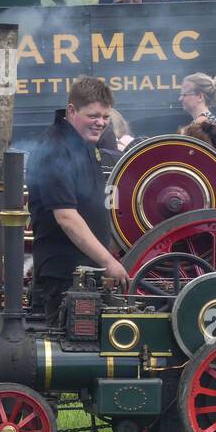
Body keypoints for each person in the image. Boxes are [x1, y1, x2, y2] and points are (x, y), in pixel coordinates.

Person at [27, 77, 128, 319]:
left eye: (105, 117)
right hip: (65, 274)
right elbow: (66, 217)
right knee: (72, 351)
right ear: (72, 110)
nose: (101, 123)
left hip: (85, 271)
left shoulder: (85, 143)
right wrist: (109, 262)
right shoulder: (55, 148)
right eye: (93, 116)